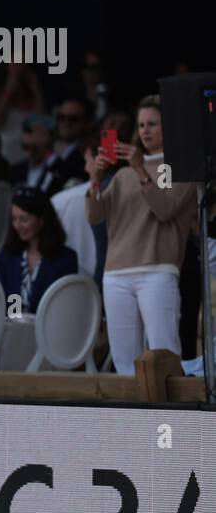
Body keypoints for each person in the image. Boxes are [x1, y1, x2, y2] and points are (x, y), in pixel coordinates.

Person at [86, 95, 197, 375]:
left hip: (158, 269)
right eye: (141, 124)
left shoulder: (179, 167)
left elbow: (166, 209)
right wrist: (95, 180)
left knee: (164, 353)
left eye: (153, 124)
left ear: (168, 127)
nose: (145, 130)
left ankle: (172, 417)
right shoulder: (122, 176)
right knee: (124, 359)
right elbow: (95, 216)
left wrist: (140, 169)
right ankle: (131, 418)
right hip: (116, 273)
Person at [0, 186, 79, 315]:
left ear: (41, 220)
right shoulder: (9, 255)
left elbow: (64, 305)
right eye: (14, 219)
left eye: (24, 219)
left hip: (50, 330)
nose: (17, 226)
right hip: (15, 329)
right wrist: (18, 322)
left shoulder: (66, 258)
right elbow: (11, 299)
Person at [9, 114, 66, 195]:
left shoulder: (61, 170)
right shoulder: (16, 170)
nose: (29, 153)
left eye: (34, 148)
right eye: (25, 147)